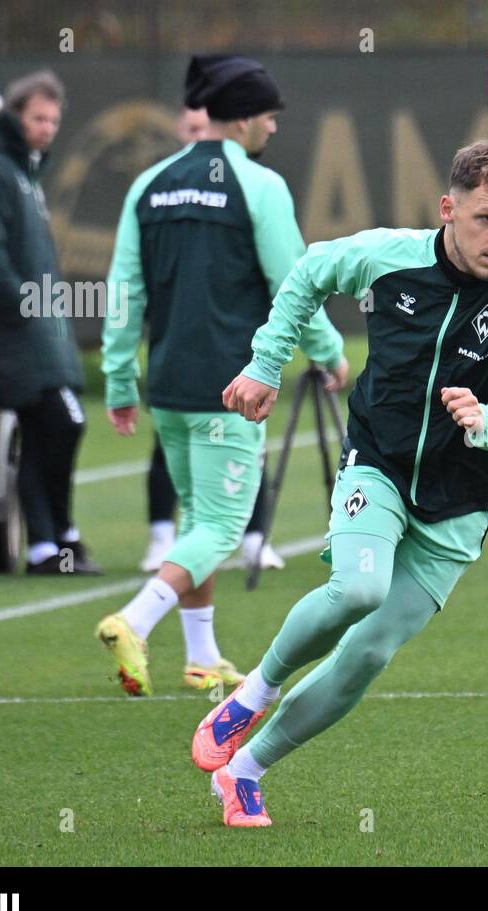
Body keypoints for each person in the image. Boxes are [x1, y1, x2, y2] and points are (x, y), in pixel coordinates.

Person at [190, 141, 488, 826]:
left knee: (368, 653)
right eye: (486, 218)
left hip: (462, 501)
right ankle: (252, 693)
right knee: (360, 588)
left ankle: (246, 771)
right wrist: (265, 363)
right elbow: (311, 269)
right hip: (378, 460)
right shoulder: (388, 257)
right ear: (447, 208)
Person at [96, 55, 345, 694]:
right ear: (241, 120)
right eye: (268, 115)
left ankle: (203, 657)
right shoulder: (260, 187)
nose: (273, 128)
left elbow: (122, 292)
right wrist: (327, 351)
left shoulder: (148, 185)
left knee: (197, 524)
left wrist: (121, 380)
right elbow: (298, 284)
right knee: (222, 529)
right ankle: (135, 619)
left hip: (171, 387)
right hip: (234, 390)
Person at [0, 69, 102, 575]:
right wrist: (25, 304)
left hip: (38, 324)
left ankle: (51, 544)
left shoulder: (24, 172)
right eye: (38, 117)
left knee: (48, 430)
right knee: (62, 422)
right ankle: (57, 540)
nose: (47, 128)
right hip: (12, 329)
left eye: (54, 120)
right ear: (14, 115)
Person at [140, 105, 287, 574]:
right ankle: (140, 602)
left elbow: (281, 275)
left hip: (224, 366)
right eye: (191, 129)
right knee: (211, 528)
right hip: (184, 366)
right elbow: (294, 279)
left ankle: (253, 541)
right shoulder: (162, 189)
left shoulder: (241, 187)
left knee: (207, 517)